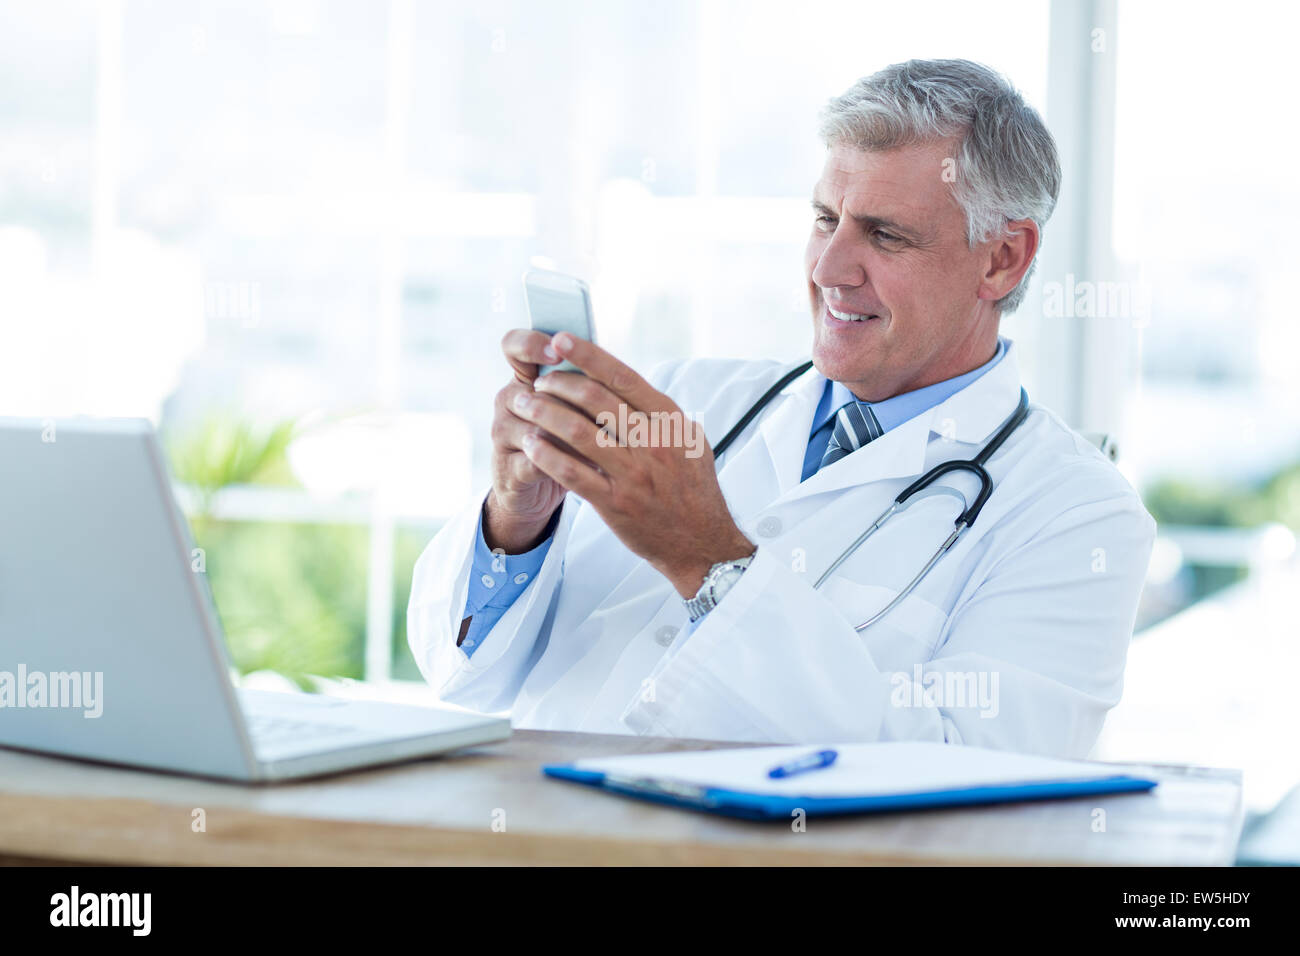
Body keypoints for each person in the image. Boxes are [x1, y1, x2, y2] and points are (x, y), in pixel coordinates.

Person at [407, 59, 1156, 758]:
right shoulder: (686, 399)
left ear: (1003, 258)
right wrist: (516, 520)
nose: (828, 270)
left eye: (885, 235)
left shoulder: (1079, 517)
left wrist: (709, 561)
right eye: (827, 219)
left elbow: (976, 786)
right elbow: (464, 674)